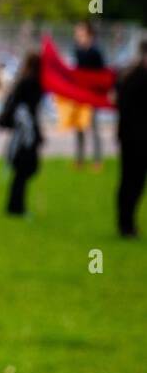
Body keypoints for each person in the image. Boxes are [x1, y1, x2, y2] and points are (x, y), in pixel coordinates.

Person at [0, 51, 44, 217]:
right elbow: (25, 111)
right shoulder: (32, 83)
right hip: (25, 132)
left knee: (20, 172)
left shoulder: (23, 81)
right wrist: (32, 135)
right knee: (23, 171)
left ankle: (15, 205)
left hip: (21, 131)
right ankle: (16, 207)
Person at [59, 21, 105, 170]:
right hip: (79, 94)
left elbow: (101, 74)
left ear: (89, 35)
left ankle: (97, 160)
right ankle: (79, 159)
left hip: (92, 94)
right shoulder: (77, 51)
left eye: (81, 33)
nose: (78, 36)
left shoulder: (96, 52)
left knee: (93, 126)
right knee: (79, 126)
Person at [115, 39, 147, 238]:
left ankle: (126, 222)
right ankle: (126, 224)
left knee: (131, 181)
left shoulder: (130, 76)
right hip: (135, 140)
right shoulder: (137, 78)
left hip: (132, 138)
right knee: (132, 181)